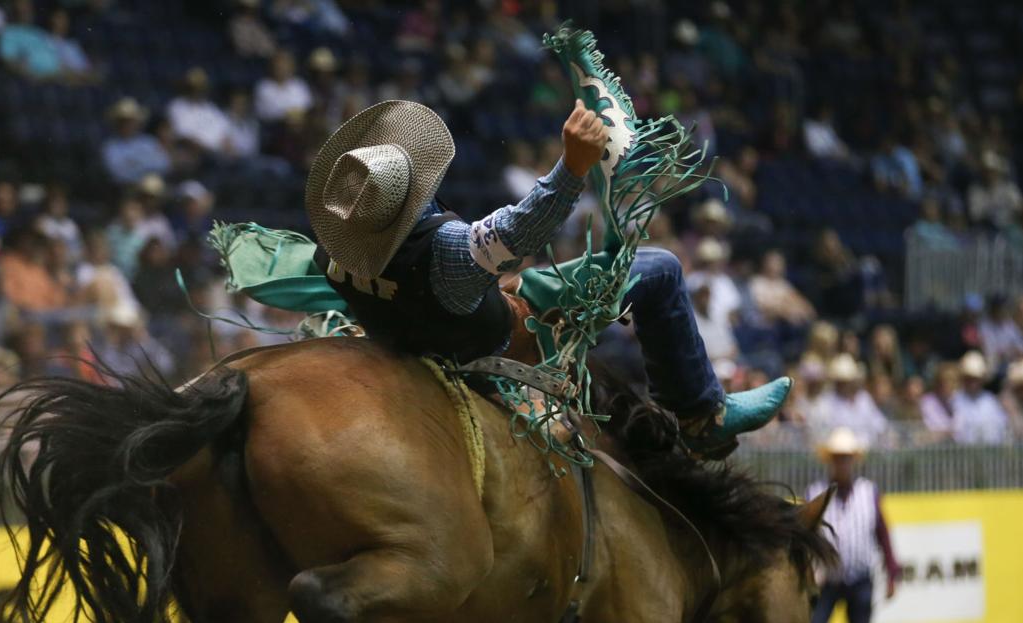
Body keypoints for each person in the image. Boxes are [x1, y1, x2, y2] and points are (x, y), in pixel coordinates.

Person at [304, 100, 790, 459]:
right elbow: (521, 227)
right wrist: (572, 165)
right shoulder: (448, 251)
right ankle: (703, 415)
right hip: (498, 339)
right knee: (660, 267)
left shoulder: (335, 244)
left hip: (410, 333)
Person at [807, 427, 899, 623]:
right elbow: (804, 537)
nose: (842, 463)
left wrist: (892, 572)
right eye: (837, 458)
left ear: (853, 460)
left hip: (860, 578)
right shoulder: (815, 493)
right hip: (826, 581)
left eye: (846, 458)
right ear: (830, 460)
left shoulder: (868, 493)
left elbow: (882, 533)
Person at [952, 350, 1008, 444]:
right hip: (962, 452)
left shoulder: (990, 400)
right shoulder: (955, 399)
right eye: (969, 378)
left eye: (976, 379)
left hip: (989, 451)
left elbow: (1001, 424)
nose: (972, 382)